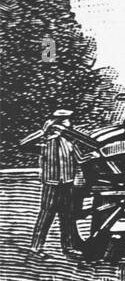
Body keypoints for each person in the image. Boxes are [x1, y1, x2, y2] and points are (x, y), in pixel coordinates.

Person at [21, 109, 84, 258]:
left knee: (67, 216)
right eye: (66, 121)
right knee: (46, 215)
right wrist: (43, 132)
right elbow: (23, 145)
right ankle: (36, 248)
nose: (70, 124)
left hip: (67, 183)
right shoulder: (46, 143)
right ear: (57, 123)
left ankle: (68, 248)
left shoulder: (70, 142)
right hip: (51, 183)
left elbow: (80, 159)